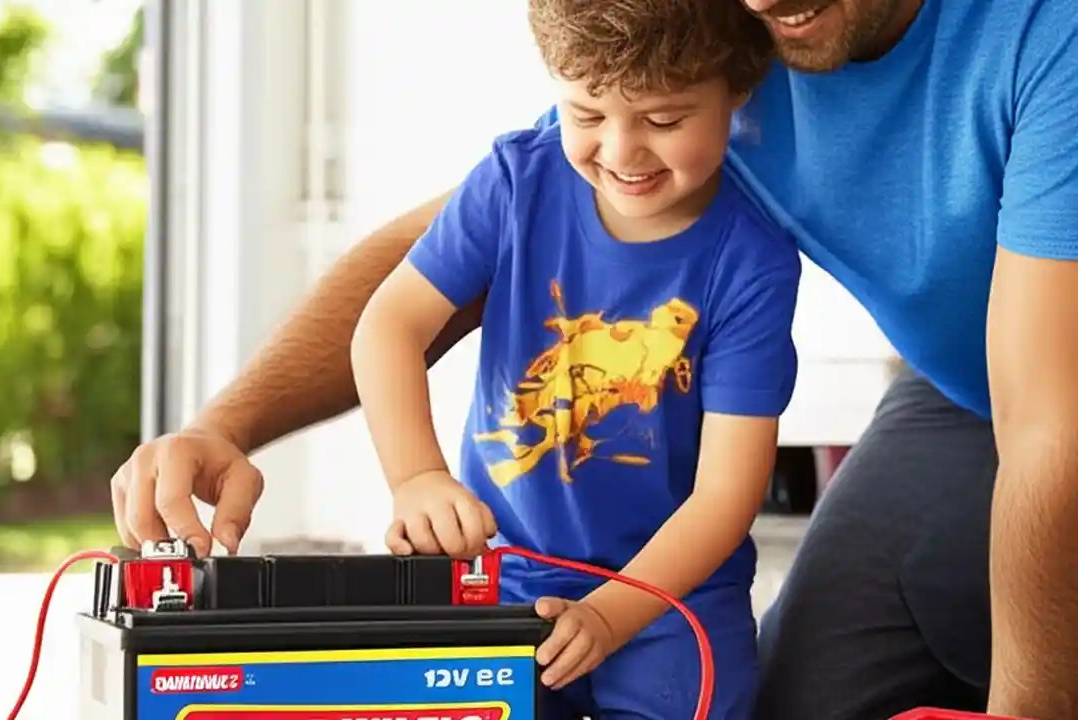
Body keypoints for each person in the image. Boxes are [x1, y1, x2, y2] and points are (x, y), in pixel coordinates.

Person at [109, 0, 1078, 717]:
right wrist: (222, 425)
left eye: (657, 122)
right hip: (956, 391)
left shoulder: (1041, 37)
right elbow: (437, 266)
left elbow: (1049, 424)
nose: (627, 147)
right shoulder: (717, 43)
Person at [349, 1, 795, 717]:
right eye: (586, 114)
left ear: (737, 90)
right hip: (508, 571)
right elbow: (389, 325)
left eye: (663, 119)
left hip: (671, 596)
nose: (620, 152)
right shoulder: (514, 180)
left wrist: (615, 615)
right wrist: (417, 477)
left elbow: (725, 496)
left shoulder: (751, 262)